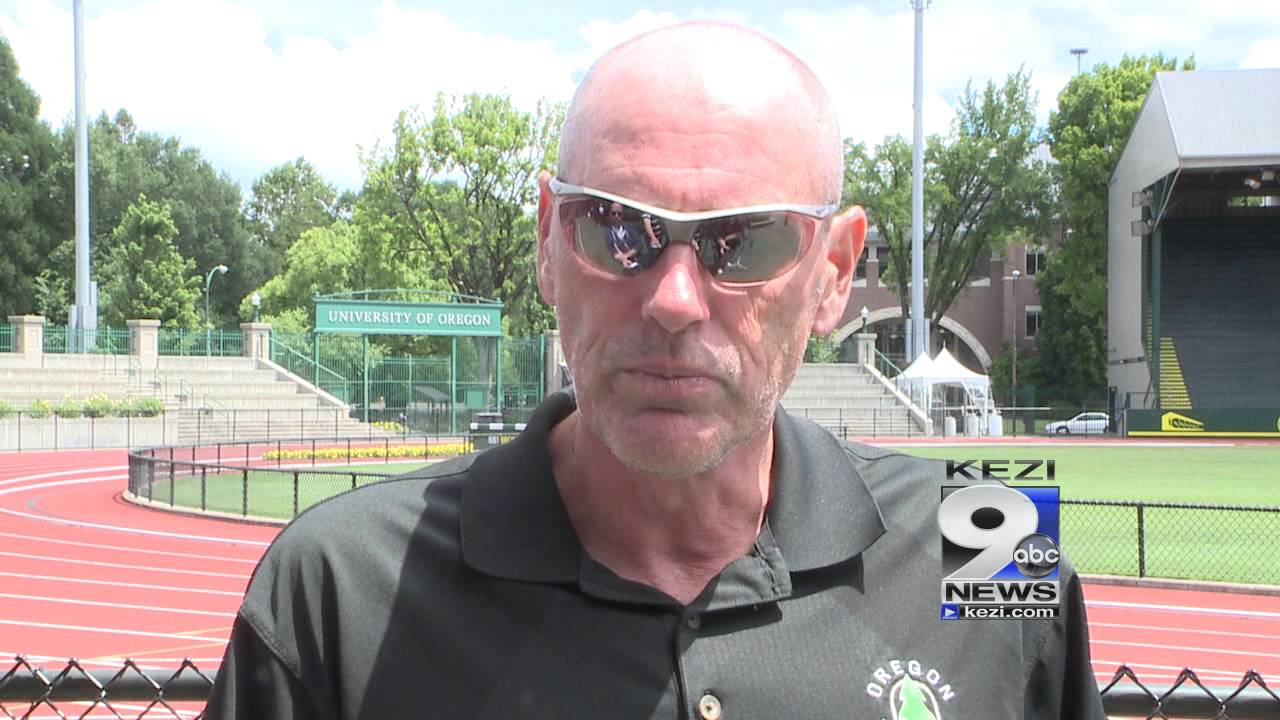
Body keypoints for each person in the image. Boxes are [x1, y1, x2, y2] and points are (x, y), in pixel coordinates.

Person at [205, 21, 1105, 720]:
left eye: (743, 240)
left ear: (833, 273)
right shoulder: (333, 586)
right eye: (617, 230)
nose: (674, 298)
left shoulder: (993, 545)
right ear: (550, 244)